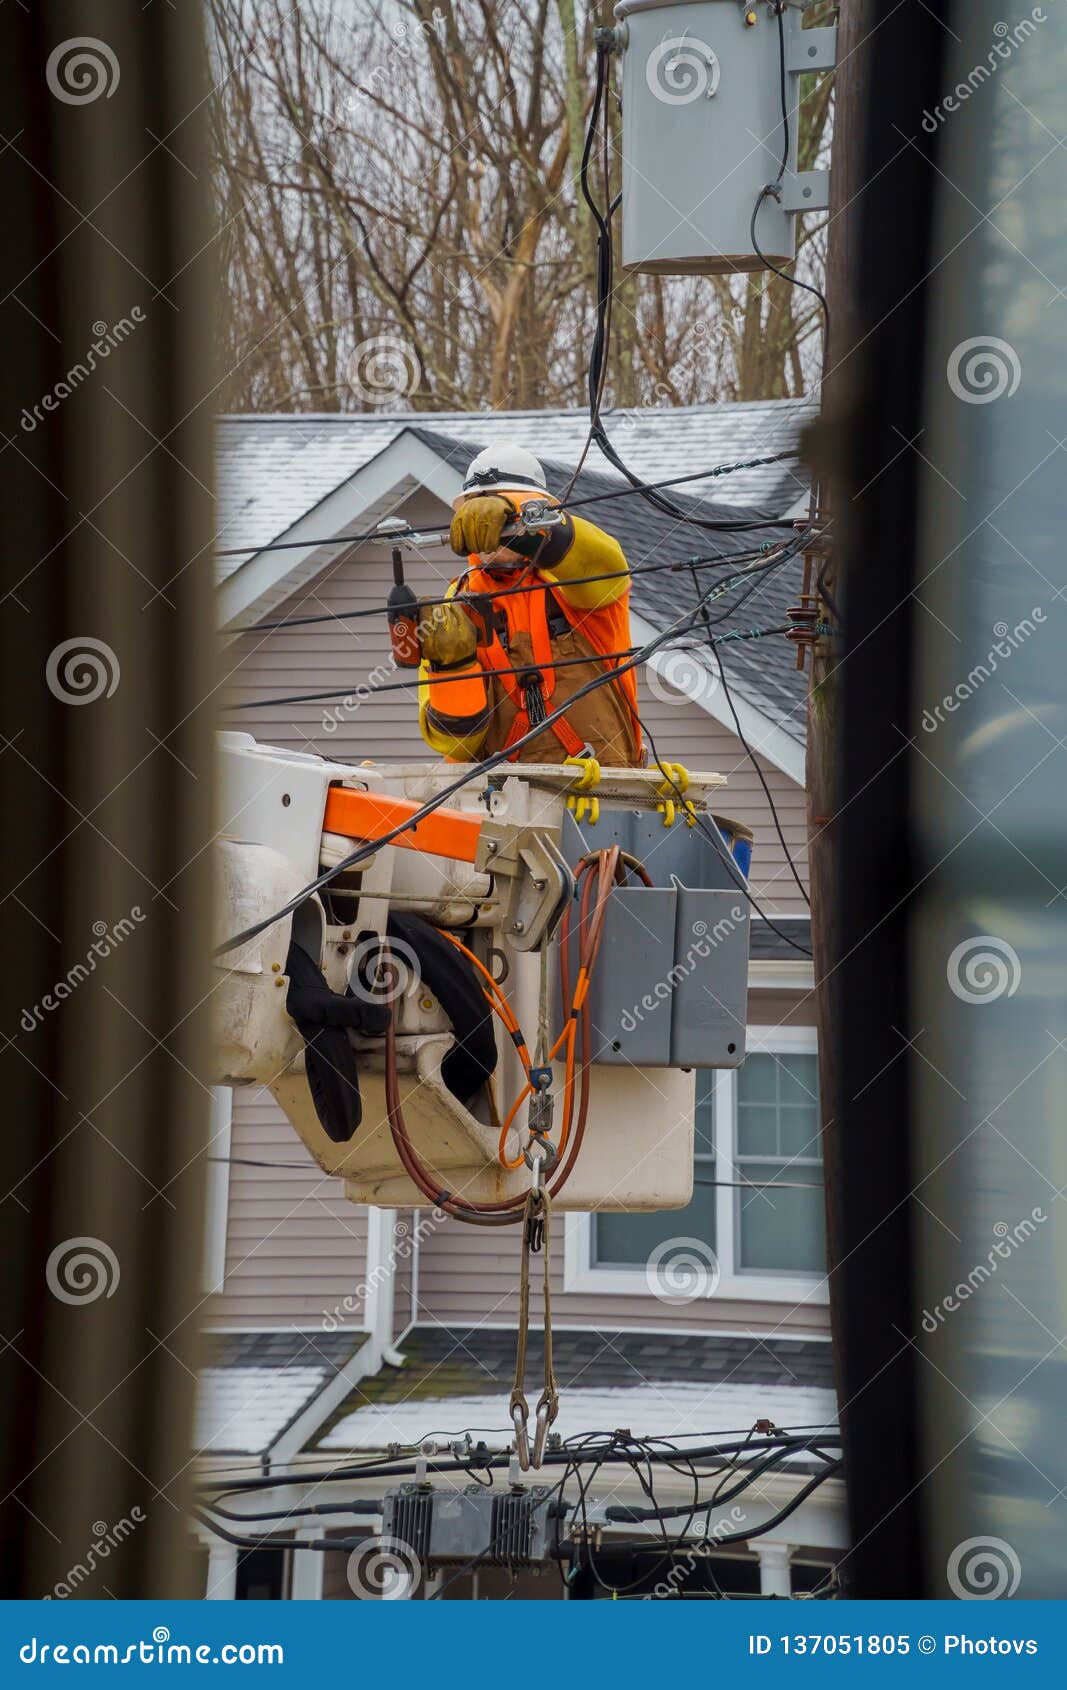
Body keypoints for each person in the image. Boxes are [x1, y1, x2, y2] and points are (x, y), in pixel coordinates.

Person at [417, 443, 642, 820]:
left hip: (606, 802)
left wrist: (524, 523)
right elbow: (457, 744)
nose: (490, 532)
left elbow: (606, 563)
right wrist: (452, 668)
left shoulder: (569, 582)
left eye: (498, 517)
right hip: (502, 810)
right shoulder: (456, 605)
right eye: (481, 518)